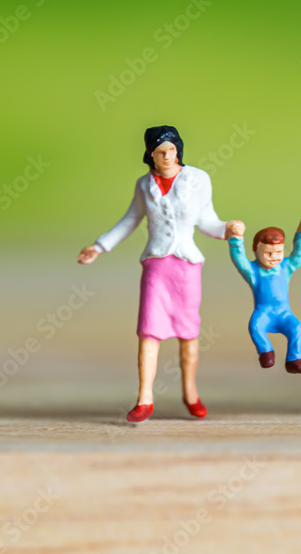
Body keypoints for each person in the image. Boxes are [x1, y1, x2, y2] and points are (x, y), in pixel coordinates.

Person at [77, 126, 244, 423]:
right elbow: (130, 219)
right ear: (150, 155)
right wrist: (100, 246)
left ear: (178, 150)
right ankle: (144, 398)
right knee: (149, 330)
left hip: (187, 265)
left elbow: (207, 220)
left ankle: (190, 392)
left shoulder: (197, 180)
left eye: (171, 150)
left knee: (188, 332)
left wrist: (227, 229)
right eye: (160, 152)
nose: (167, 156)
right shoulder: (144, 185)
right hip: (156, 263)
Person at [227, 220, 301, 374]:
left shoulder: (286, 267)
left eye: (279, 252)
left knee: (298, 328)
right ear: (256, 250)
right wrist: (236, 239)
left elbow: (298, 254)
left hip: (284, 313)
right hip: (263, 313)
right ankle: (266, 352)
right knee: (255, 327)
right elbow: (239, 259)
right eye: (268, 253)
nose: (274, 257)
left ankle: (295, 359)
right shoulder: (253, 271)